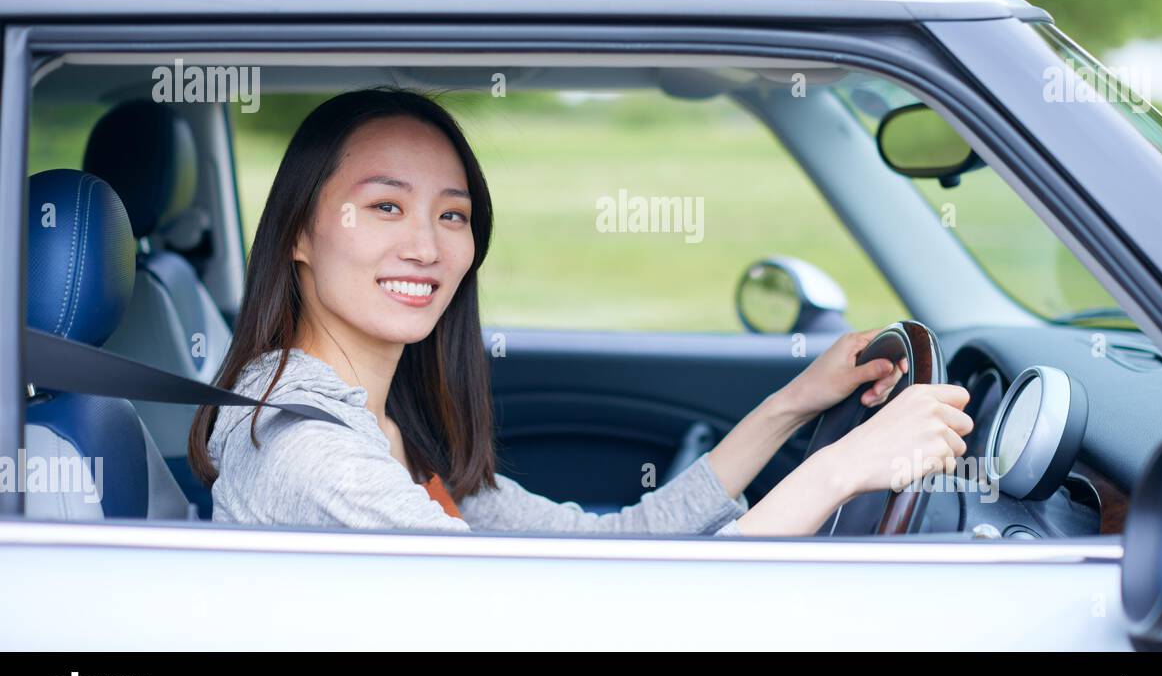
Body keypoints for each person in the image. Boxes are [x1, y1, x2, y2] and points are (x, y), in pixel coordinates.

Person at [189, 87, 973, 537]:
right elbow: (603, 629)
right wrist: (844, 468)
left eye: (453, 215)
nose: (426, 247)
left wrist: (794, 403)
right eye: (385, 206)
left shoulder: (396, 431)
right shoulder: (314, 458)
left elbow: (611, 548)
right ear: (297, 230)